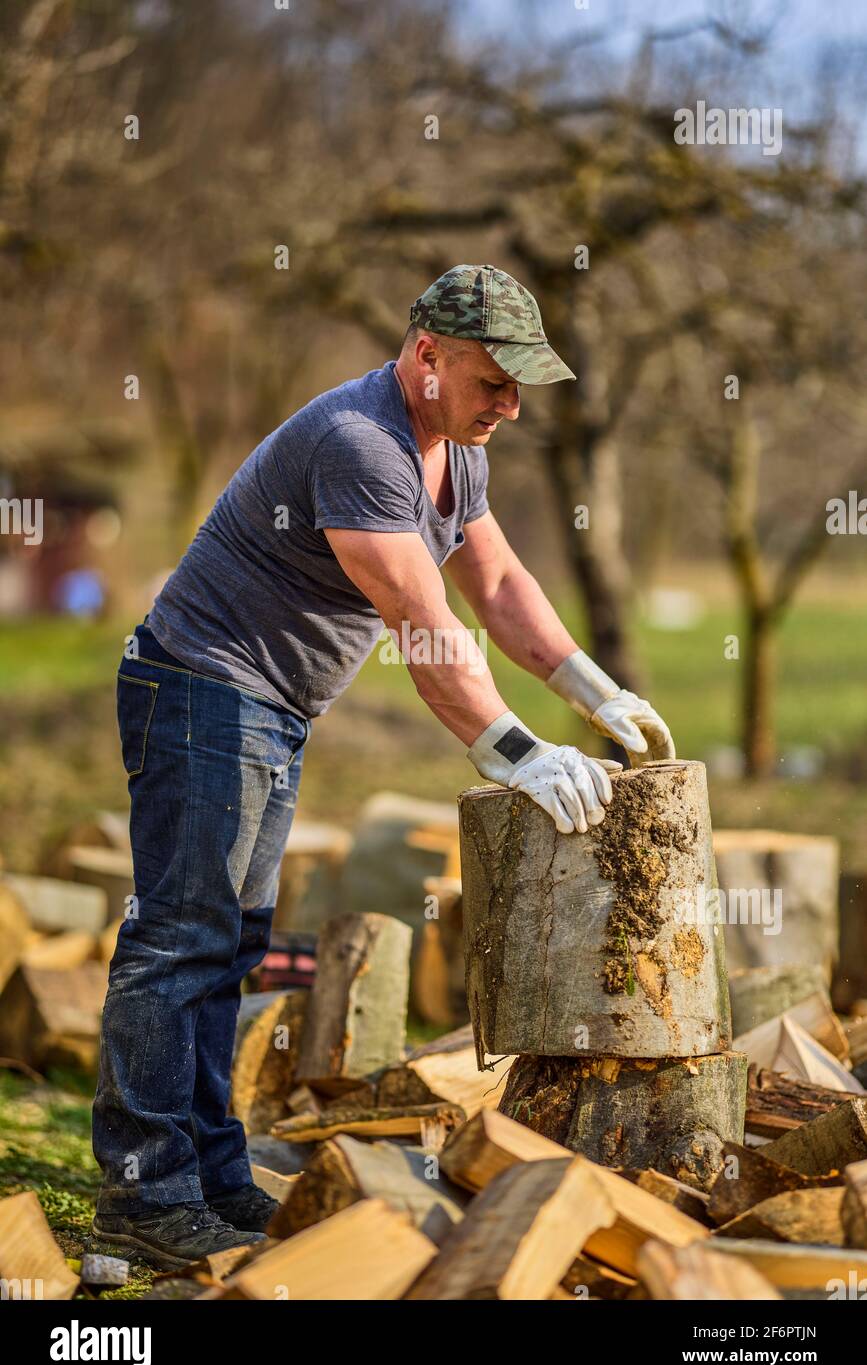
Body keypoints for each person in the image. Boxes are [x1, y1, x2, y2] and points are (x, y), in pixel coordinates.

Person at [91, 263, 674, 1268]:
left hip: (265, 707)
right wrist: (519, 755)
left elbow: (498, 584)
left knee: (231, 944)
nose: (513, 404)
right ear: (427, 356)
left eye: (521, 383)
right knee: (180, 941)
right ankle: (144, 1193)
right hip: (199, 690)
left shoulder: (455, 449)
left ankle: (213, 1178)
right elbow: (425, 627)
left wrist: (595, 689)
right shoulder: (362, 445)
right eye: (494, 380)